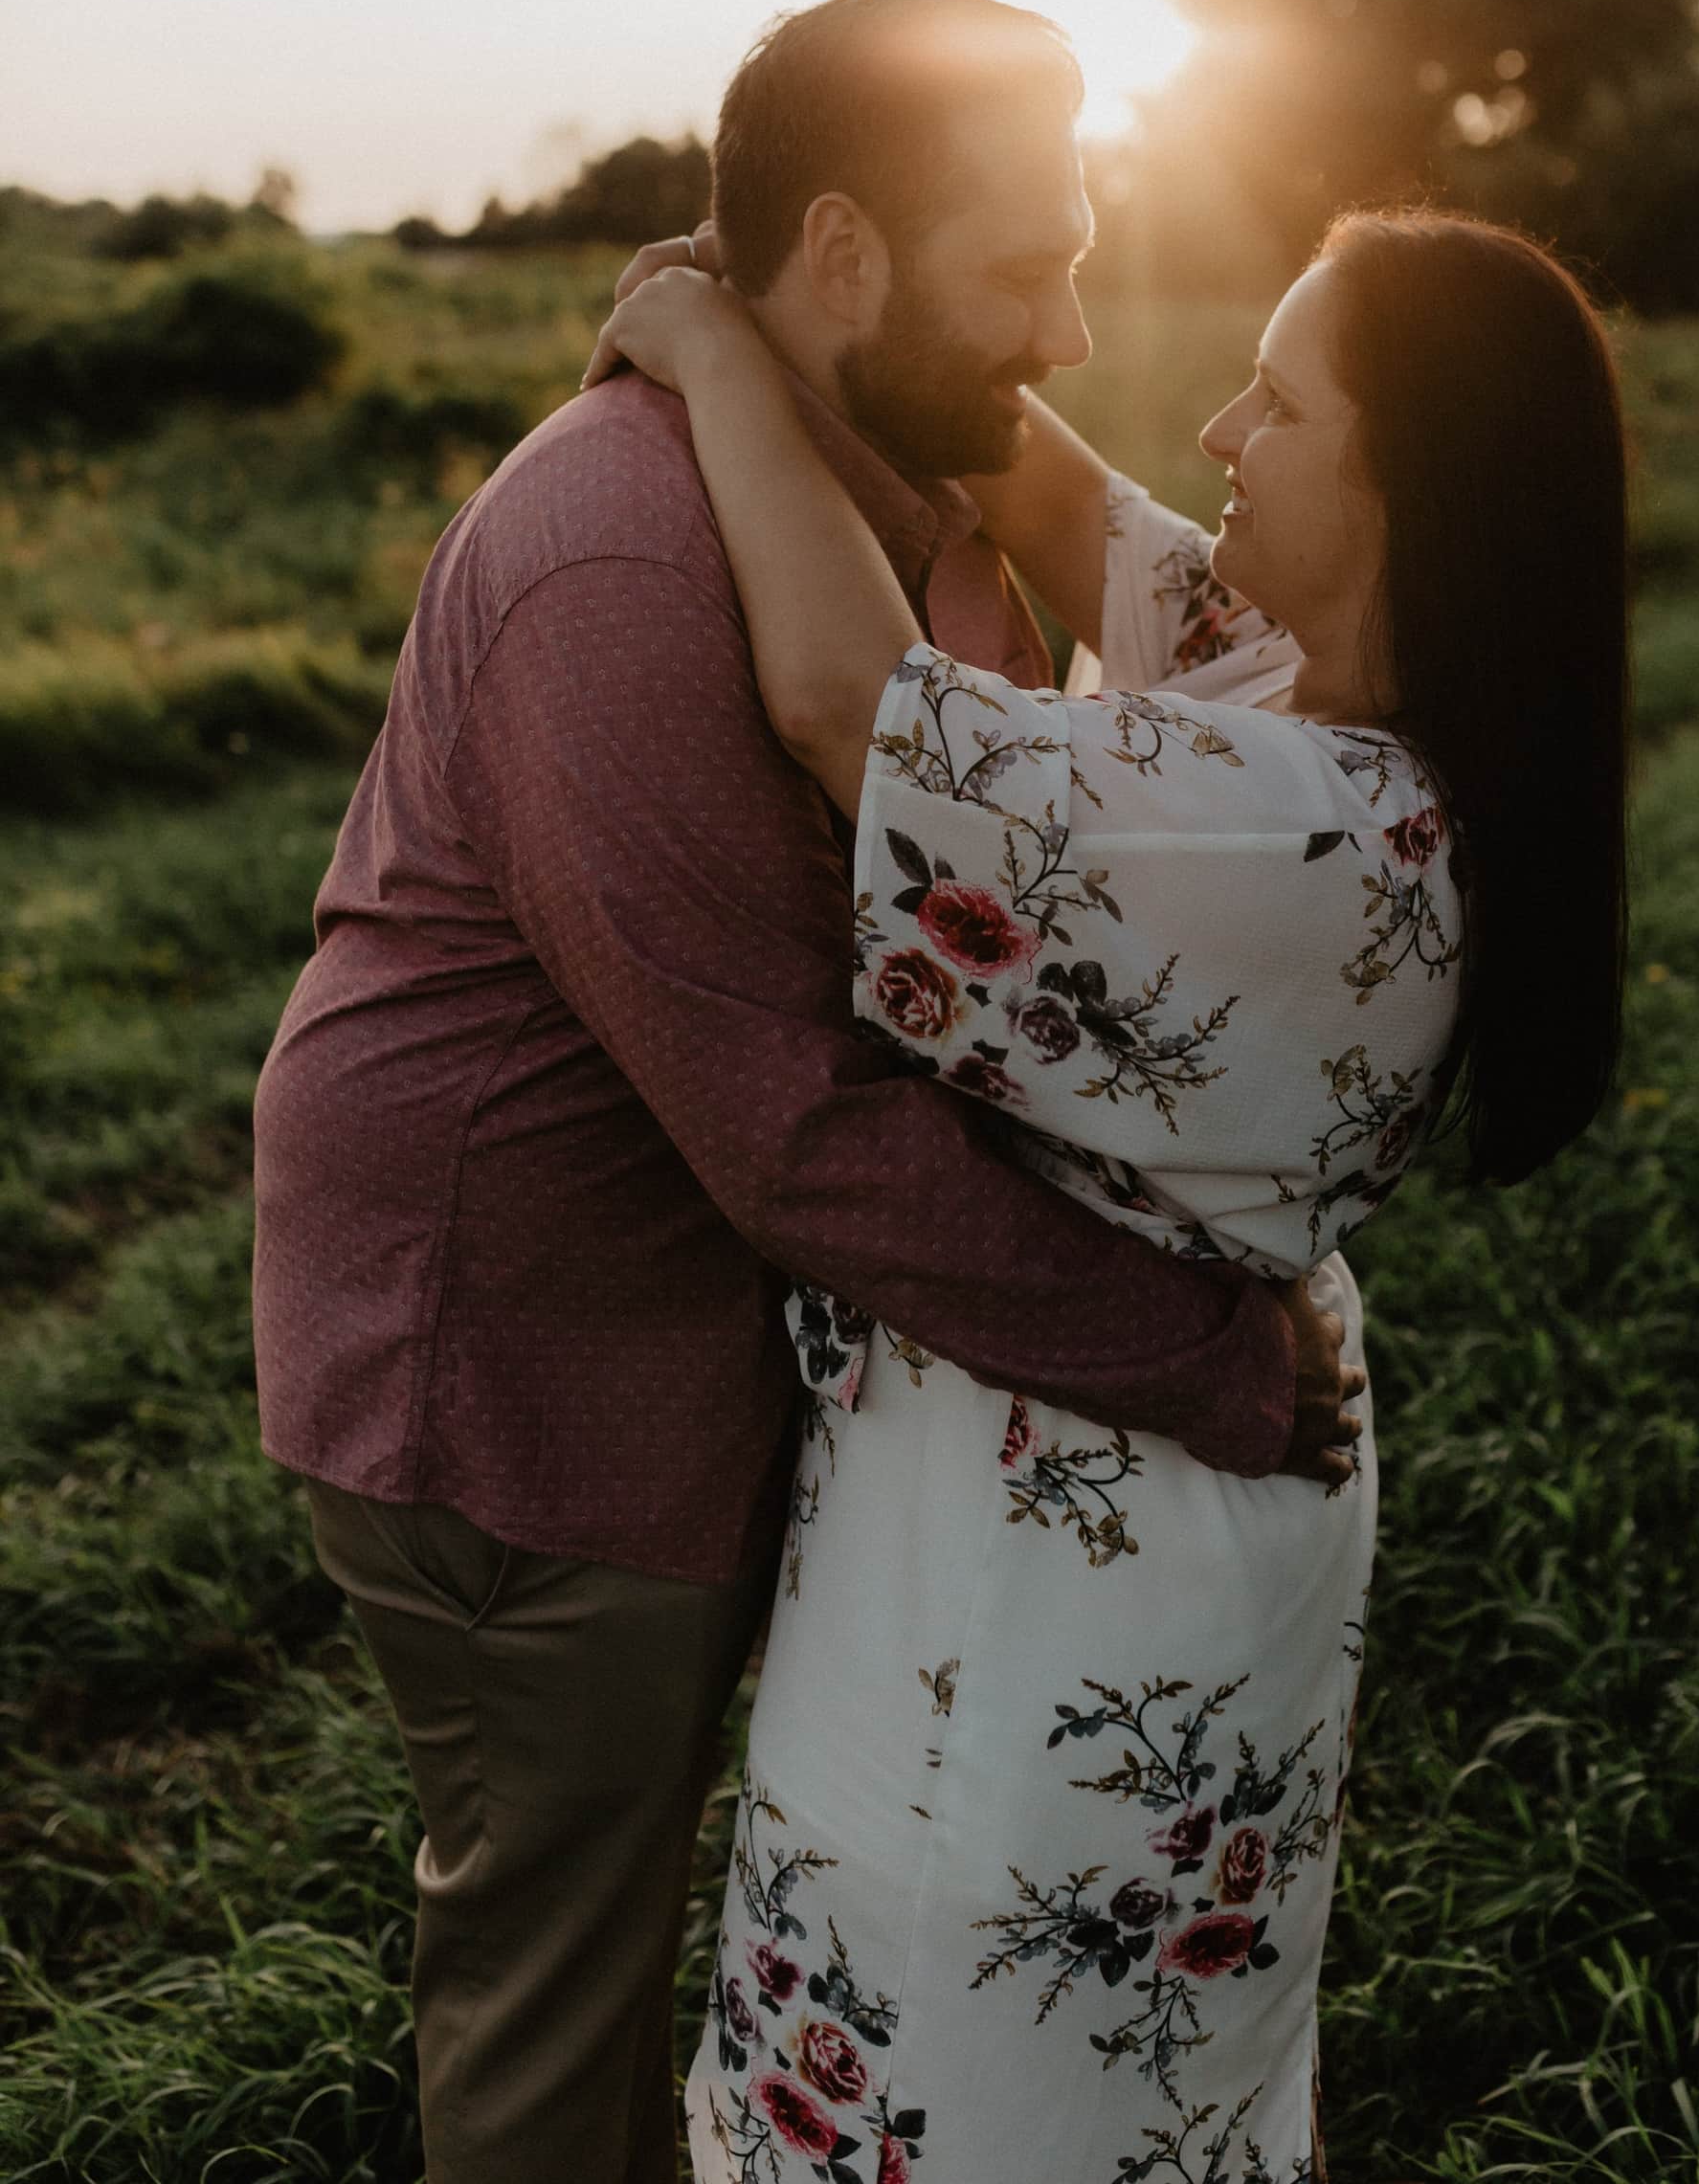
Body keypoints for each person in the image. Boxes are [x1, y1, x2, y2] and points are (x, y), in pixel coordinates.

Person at [250, 0, 1360, 2184]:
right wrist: (1192, 1357)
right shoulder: (621, 565)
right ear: (843, 257)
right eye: (1022, 265)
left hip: (704, 1339)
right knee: (559, 1991)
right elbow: (792, 1127)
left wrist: (712, 329)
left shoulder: (910, 483)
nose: (1066, 323)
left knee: (737, 1943)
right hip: (521, 1388)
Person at [583, 201, 1631, 2182]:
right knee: (1115, 2087)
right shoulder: (1296, 698)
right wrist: (850, 283)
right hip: (1115, 1507)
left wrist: (713, 351)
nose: (1222, 429)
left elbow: (858, 715)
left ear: (1421, 486)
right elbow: (1059, 495)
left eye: (1285, 400)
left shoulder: (1332, 837)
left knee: (970, 2082)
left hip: (1060, 1576)